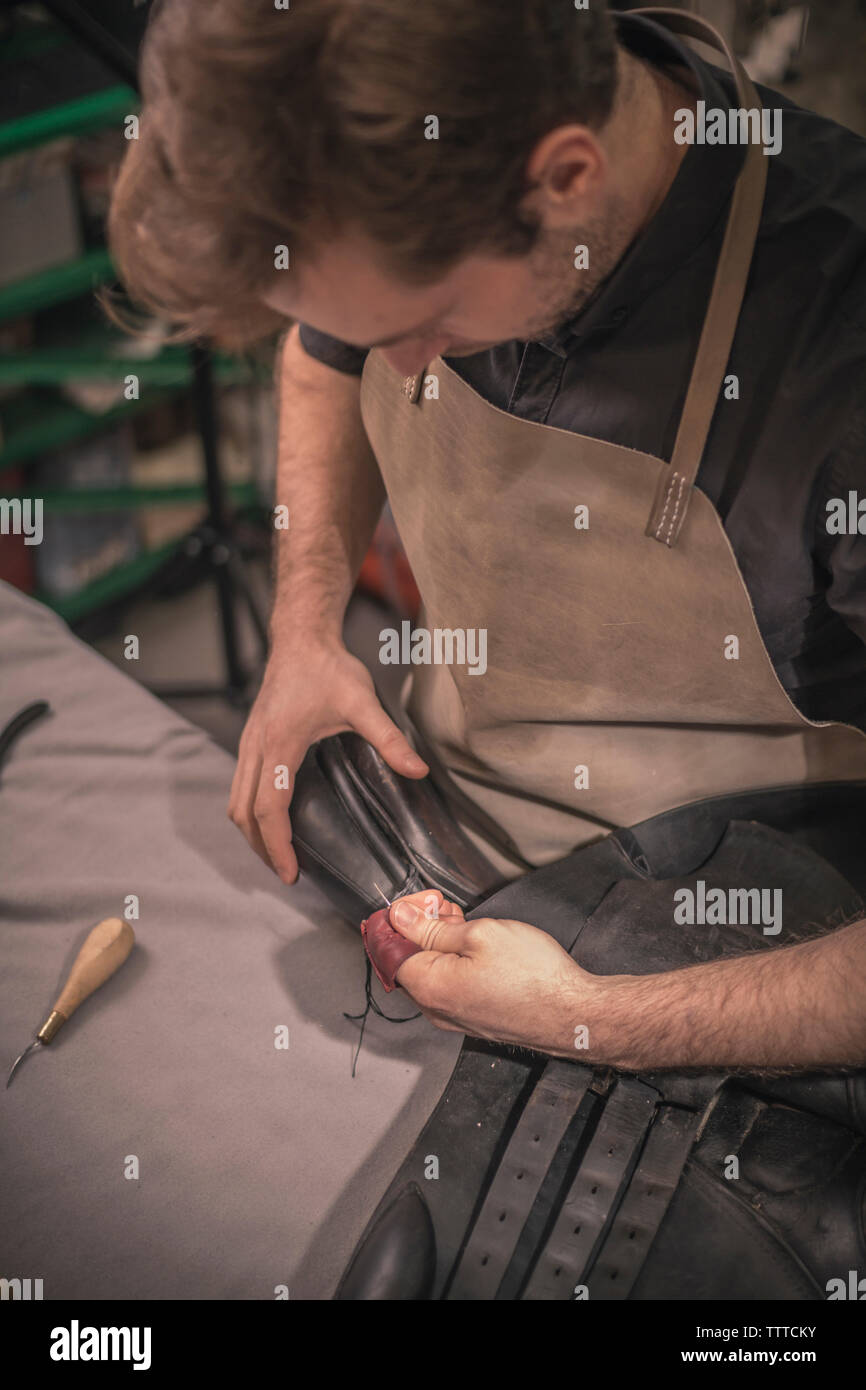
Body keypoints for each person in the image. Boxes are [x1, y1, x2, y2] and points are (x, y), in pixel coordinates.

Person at [108, 0, 866, 1071]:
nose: (405, 365)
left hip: (746, 918)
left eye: (424, 323)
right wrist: (304, 626)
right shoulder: (403, 183)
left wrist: (585, 1017)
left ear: (564, 179)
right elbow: (325, 353)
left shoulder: (837, 365)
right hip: (451, 799)